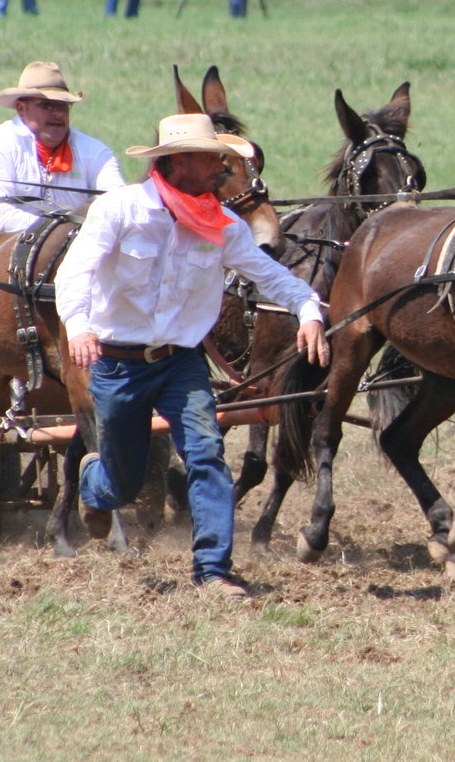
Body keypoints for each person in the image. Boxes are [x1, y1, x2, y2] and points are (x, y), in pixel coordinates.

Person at [55, 113, 330, 598]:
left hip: (181, 363)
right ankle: (93, 483)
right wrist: (78, 326)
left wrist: (308, 310)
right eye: (211, 158)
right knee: (123, 481)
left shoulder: (224, 226)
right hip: (118, 363)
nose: (221, 169)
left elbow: (272, 277)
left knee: (206, 453)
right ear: (177, 161)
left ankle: (213, 570)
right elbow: (76, 272)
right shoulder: (121, 210)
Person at [0, 62, 125, 234]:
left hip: (74, 242)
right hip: (5, 243)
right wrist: (55, 228)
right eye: (47, 105)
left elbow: (117, 203)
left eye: (63, 106)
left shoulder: (95, 152)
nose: (57, 114)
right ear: (21, 108)